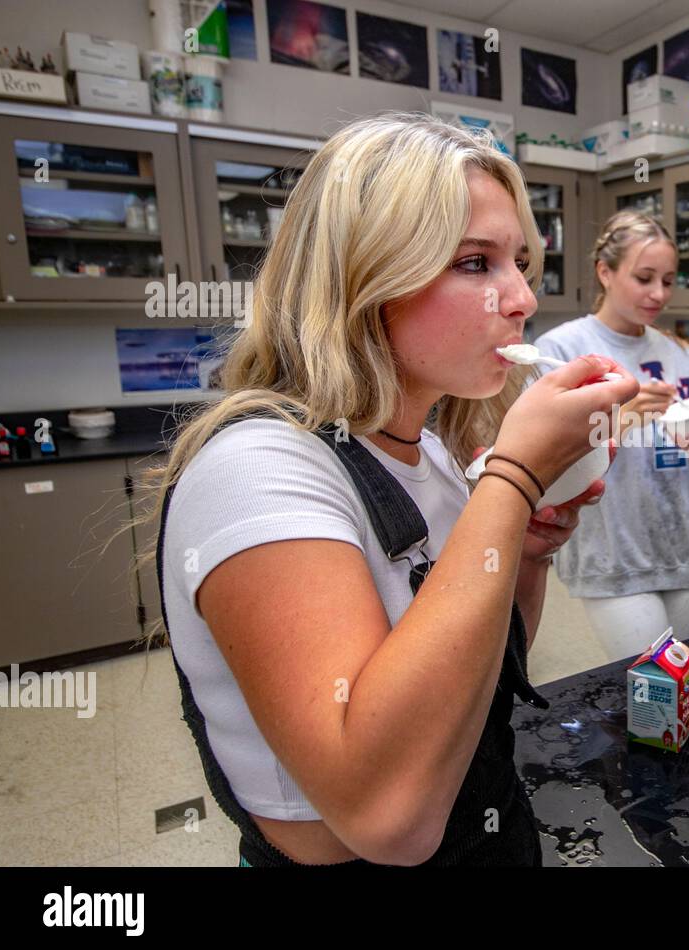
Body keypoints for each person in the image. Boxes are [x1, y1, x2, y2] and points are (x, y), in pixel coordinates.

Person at [145, 113, 638, 867]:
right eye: (477, 263)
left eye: (520, 265)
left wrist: (529, 551)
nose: (521, 300)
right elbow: (388, 818)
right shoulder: (255, 471)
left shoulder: (428, 454)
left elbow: (469, 688)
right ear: (364, 274)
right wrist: (513, 476)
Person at [534, 211, 689, 659]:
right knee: (655, 688)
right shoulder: (562, 352)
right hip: (613, 555)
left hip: (682, 549)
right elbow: (544, 466)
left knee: (674, 693)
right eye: (644, 278)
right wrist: (622, 420)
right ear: (605, 272)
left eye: (668, 279)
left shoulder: (681, 353)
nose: (659, 294)